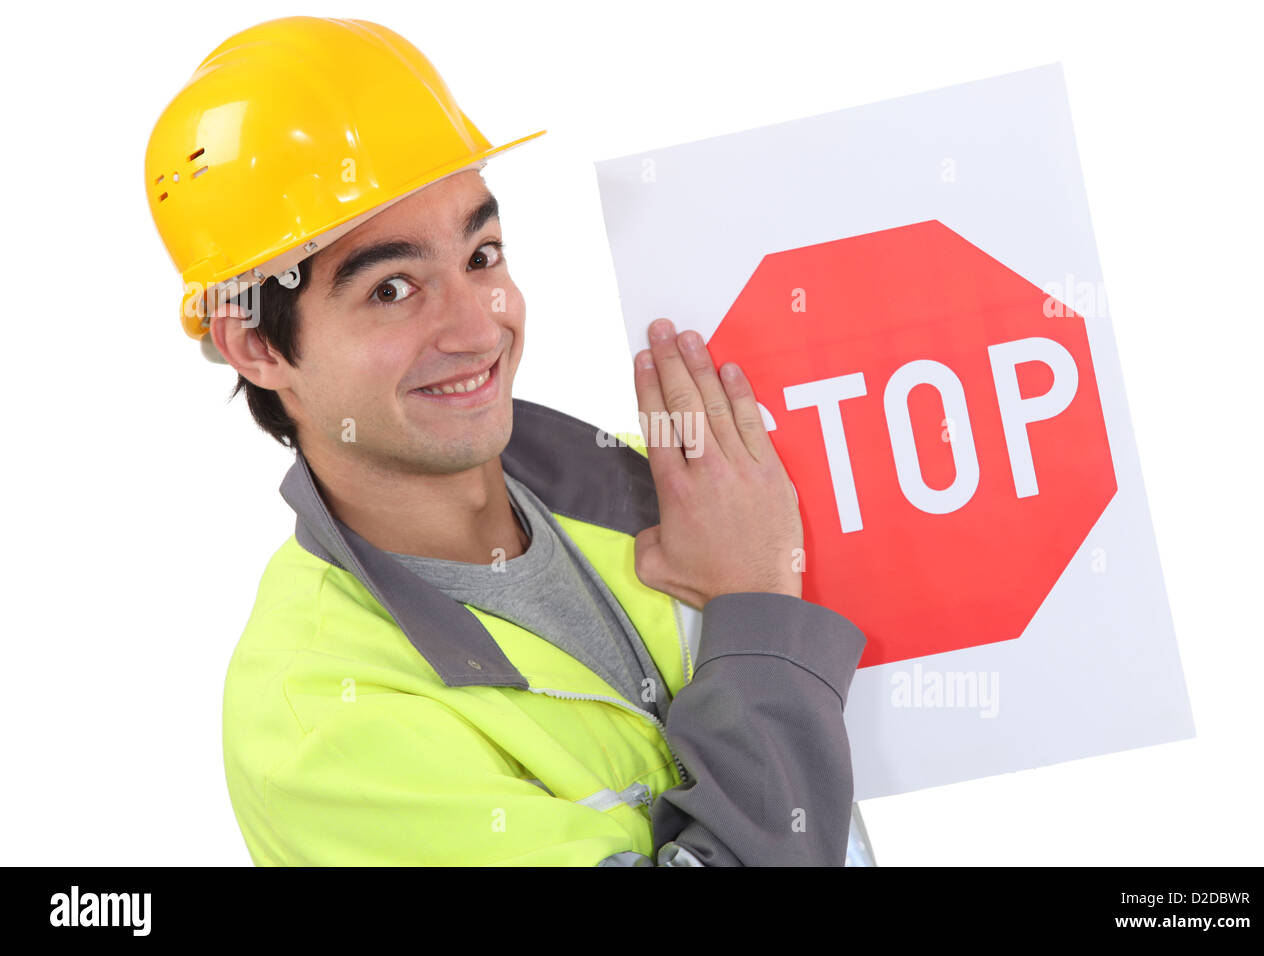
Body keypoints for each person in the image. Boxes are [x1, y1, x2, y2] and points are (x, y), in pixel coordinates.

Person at [145, 15, 867, 866]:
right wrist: (757, 609)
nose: (478, 327)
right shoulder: (322, 724)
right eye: (393, 287)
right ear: (257, 345)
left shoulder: (652, 488)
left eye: (482, 254)